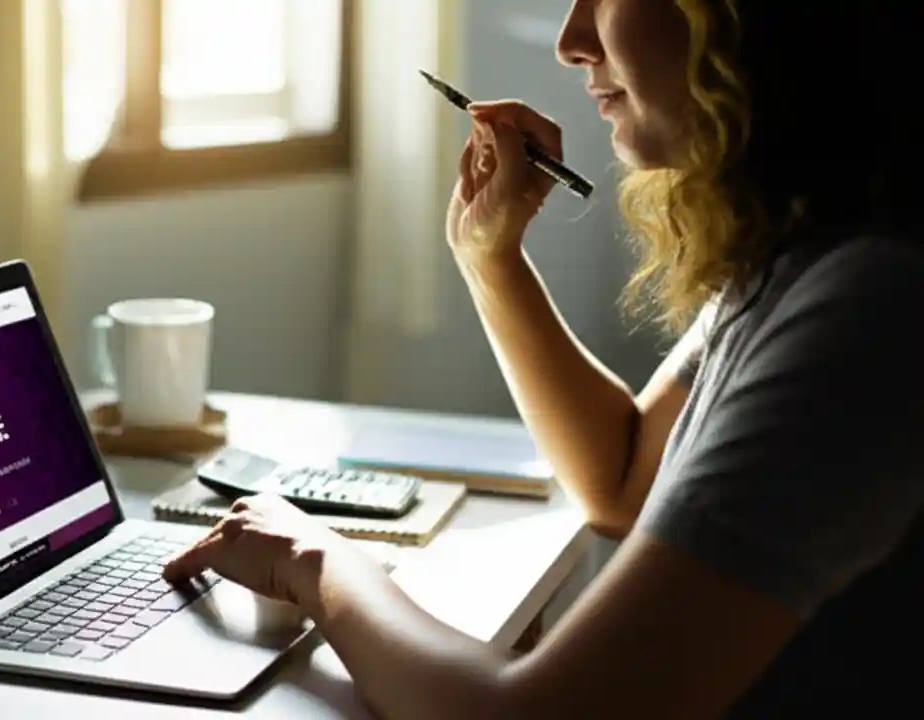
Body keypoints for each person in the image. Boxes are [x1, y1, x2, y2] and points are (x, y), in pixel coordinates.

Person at [164, 1, 924, 716]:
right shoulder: (795, 253)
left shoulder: (872, 307)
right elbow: (623, 480)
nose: (572, 40)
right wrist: (488, 258)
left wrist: (315, 560)